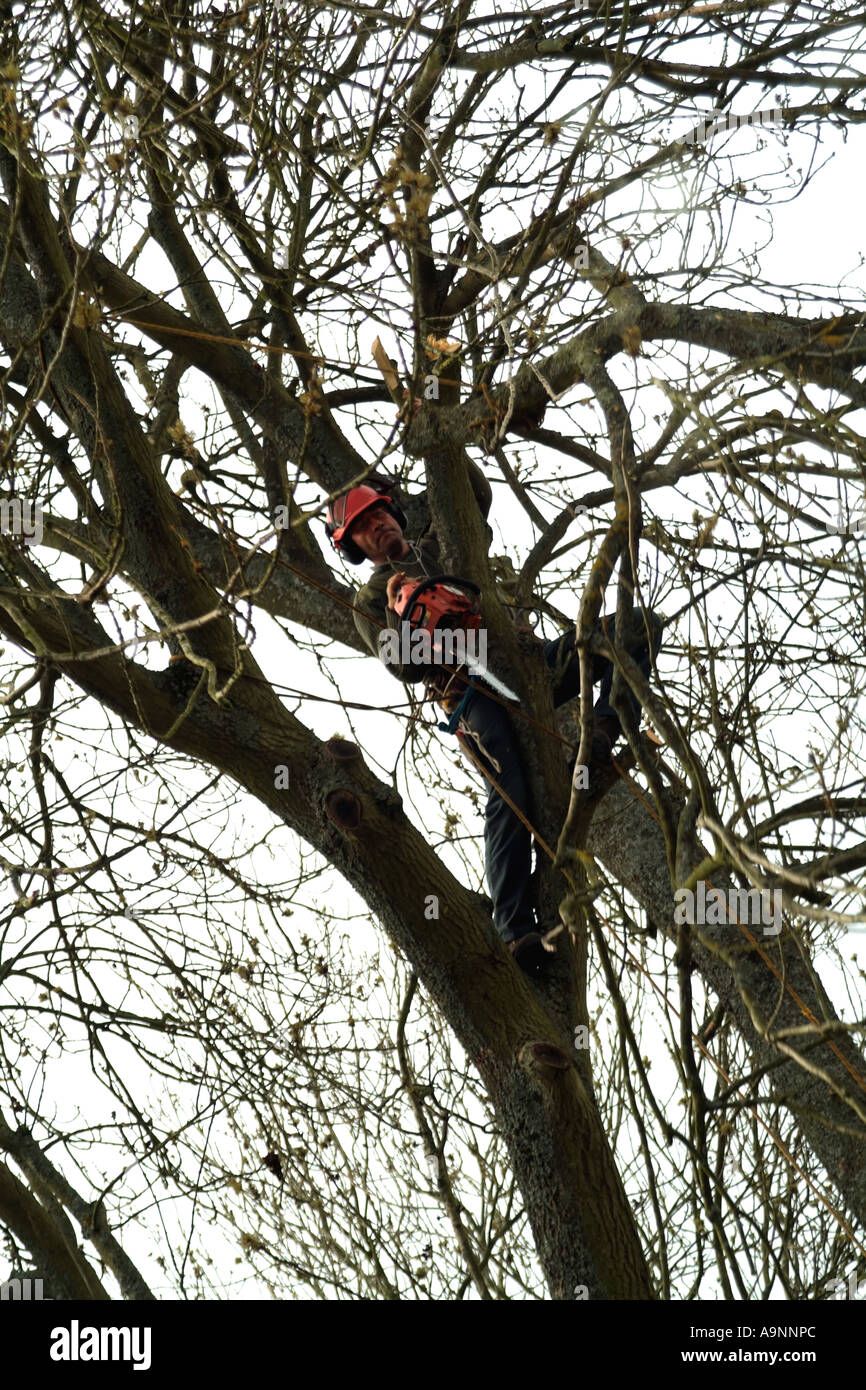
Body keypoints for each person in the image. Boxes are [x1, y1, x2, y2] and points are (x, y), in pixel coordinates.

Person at [326, 474, 662, 974]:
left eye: (379, 515)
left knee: (637, 626)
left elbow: (474, 494)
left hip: (526, 663)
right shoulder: (371, 600)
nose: (377, 527)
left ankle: (605, 730)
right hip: (471, 691)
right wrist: (401, 610)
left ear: (395, 511)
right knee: (509, 785)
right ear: (353, 548)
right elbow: (404, 666)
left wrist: (436, 444)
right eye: (363, 529)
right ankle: (515, 927)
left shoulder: (443, 544)